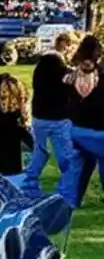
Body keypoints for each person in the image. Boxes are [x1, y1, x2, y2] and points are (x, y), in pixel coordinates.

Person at [21, 32, 83, 201]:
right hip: (58, 117)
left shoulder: (42, 64)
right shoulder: (58, 66)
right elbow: (71, 86)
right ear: (66, 45)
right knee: (66, 157)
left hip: (39, 116)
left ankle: (28, 185)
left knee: (39, 153)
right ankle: (67, 190)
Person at [72, 56, 104, 203]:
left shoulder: (83, 76)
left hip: (80, 127)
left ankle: (74, 198)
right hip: (94, 128)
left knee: (83, 165)